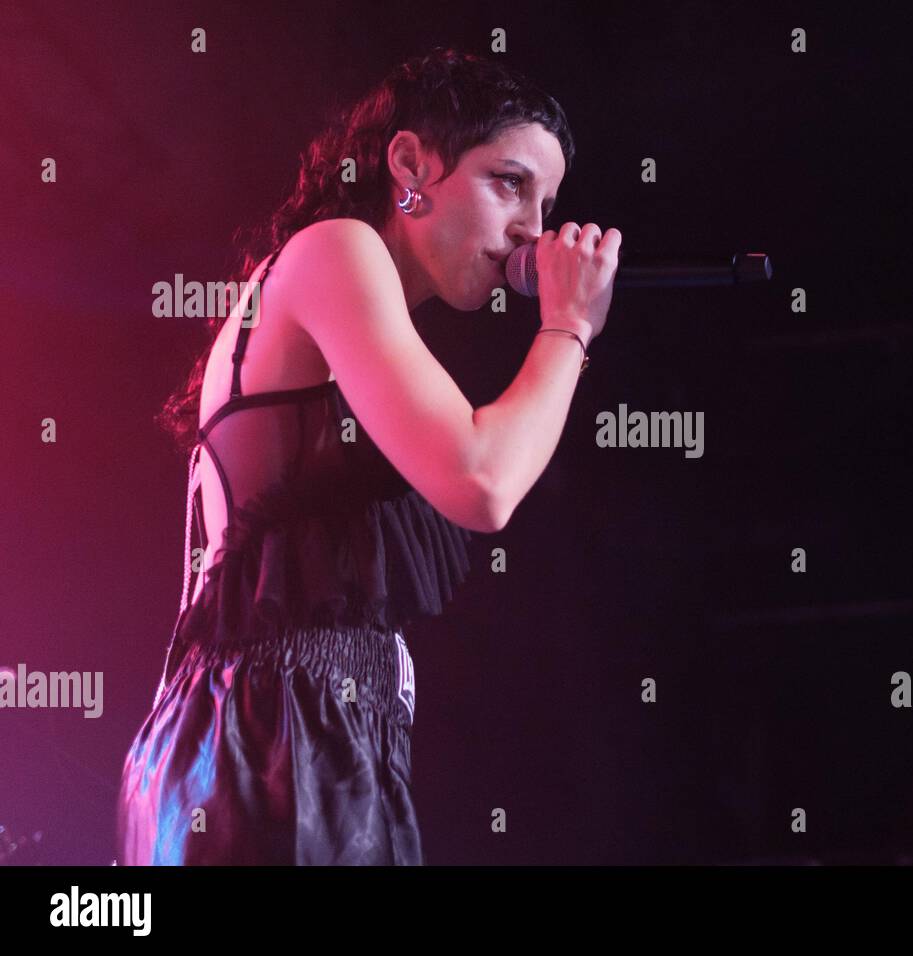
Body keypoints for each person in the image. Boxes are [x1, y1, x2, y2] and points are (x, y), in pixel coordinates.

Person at [115, 47, 621, 865]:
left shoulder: (350, 300)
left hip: (276, 742)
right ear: (411, 165)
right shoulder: (335, 250)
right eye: (509, 182)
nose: (535, 226)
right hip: (272, 742)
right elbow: (483, 480)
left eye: (548, 200)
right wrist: (568, 326)